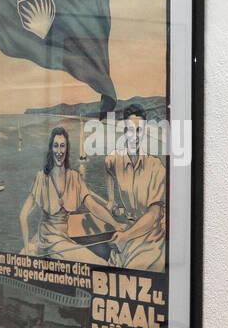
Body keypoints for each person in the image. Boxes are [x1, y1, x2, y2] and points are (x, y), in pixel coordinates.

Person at [20, 126, 117, 263]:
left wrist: (116, 224)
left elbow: (94, 207)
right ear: (51, 148)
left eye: (62, 146)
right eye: (55, 146)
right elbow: (23, 215)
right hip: (50, 243)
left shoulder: (74, 177)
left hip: (64, 241)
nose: (59, 151)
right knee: (100, 263)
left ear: (67, 149)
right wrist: (26, 249)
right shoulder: (42, 178)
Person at [104, 105, 167, 271]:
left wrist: (125, 237)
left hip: (150, 240)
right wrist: (111, 201)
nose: (134, 136)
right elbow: (108, 168)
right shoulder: (115, 158)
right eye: (130, 130)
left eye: (139, 130)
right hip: (127, 231)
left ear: (145, 131)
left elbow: (154, 215)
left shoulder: (156, 167)